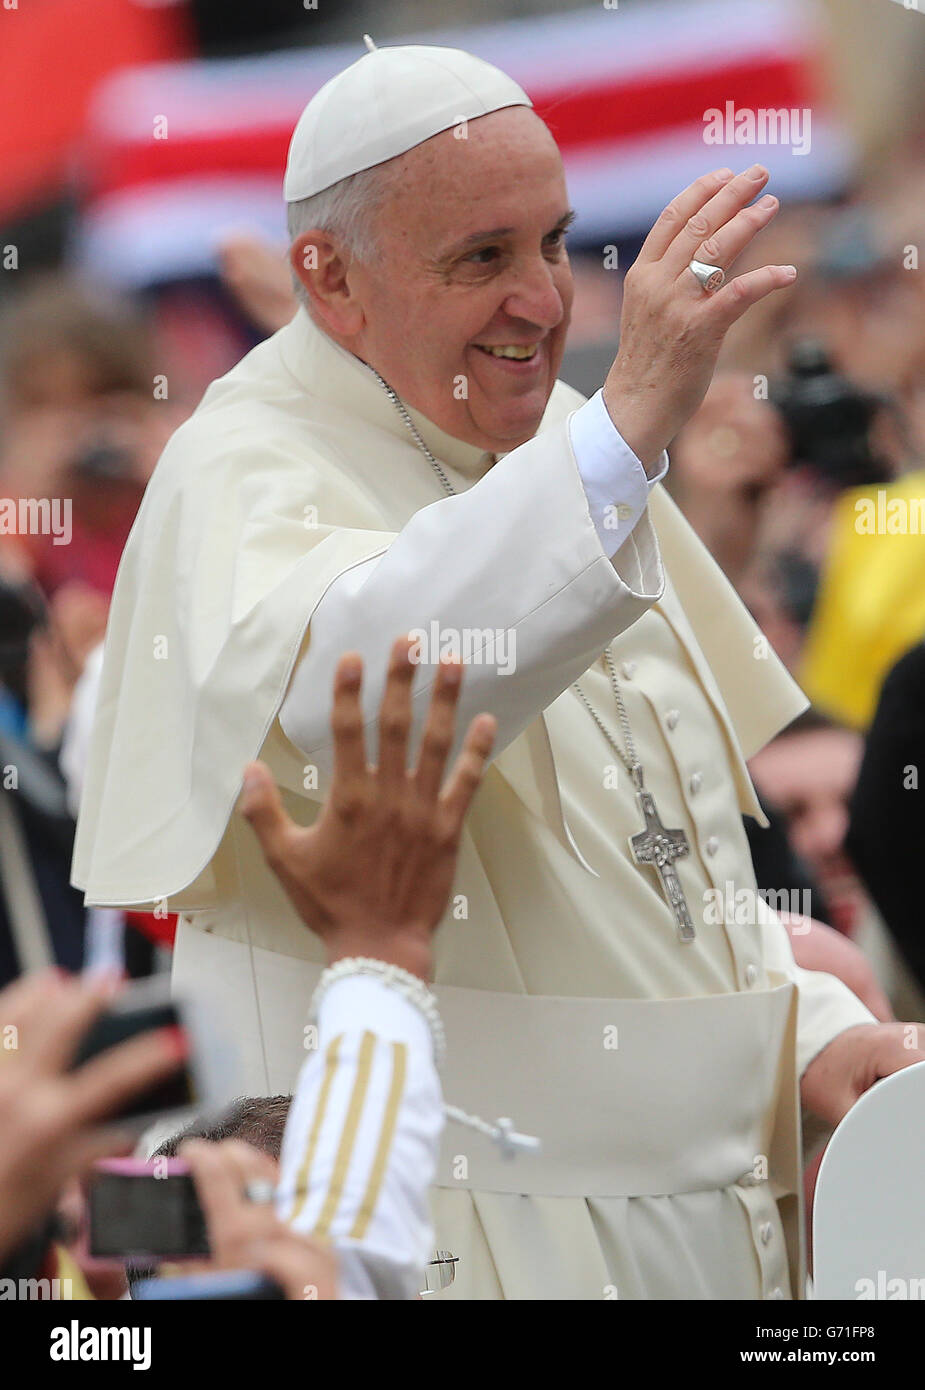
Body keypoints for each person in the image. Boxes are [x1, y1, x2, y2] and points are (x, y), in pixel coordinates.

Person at [73, 40, 922, 1299]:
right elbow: (377, 686)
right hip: (462, 1241)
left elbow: (650, 872)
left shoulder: (568, 445)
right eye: (482, 257)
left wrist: (813, 1036)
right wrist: (632, 418)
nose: (543, 298)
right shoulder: (240, 463)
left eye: (551, 243)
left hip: (697, 1237)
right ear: (330, 275)